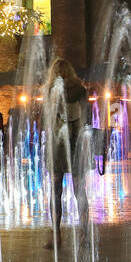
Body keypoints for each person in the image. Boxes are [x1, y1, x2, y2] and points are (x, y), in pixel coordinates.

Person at [44, 57, 89, 249]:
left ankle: (56, 236)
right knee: (80, 190)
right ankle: (84, 235)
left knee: (56, 191)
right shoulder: (81, 90)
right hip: (76, 142)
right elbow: (86, 117)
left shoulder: (49, 90)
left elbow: (47, 120)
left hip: (57, 145)